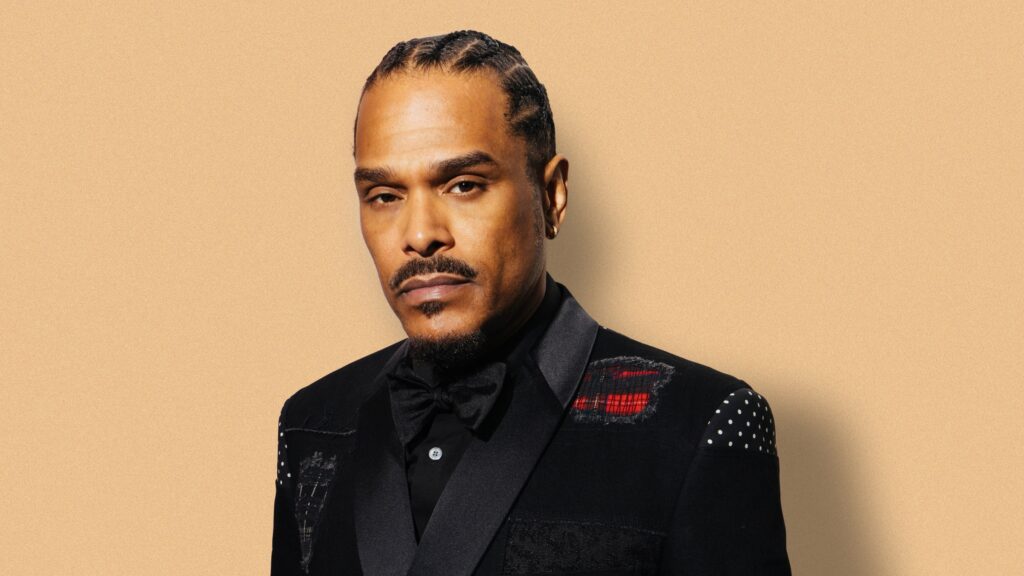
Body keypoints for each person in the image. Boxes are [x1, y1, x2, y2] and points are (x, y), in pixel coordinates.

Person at [271, 30, 790, 576]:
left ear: (552, 196)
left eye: (464, 185)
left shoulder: (699, 424)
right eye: (384, 196)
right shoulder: (312, 423)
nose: (420, 234)